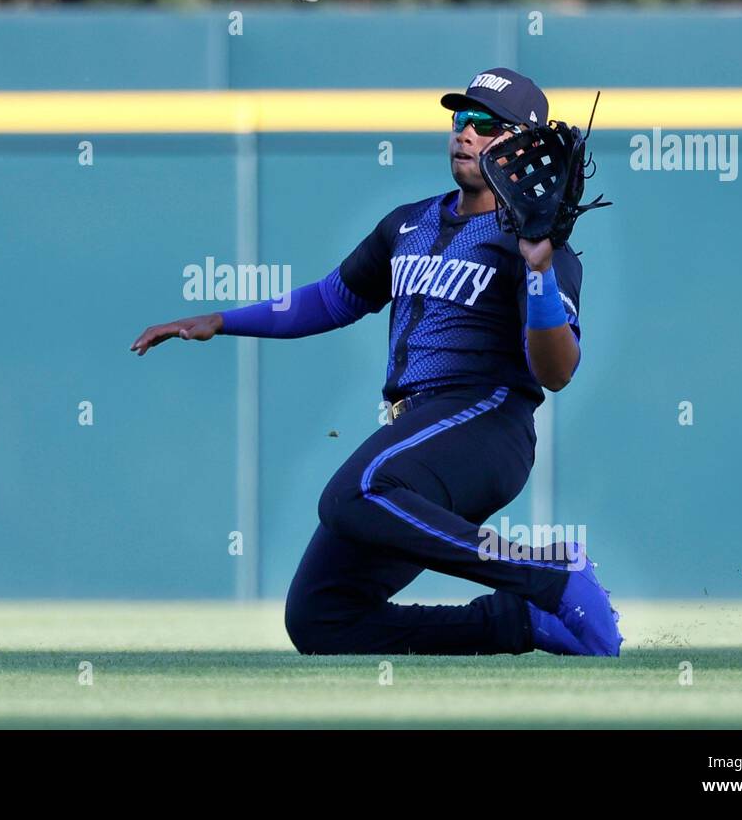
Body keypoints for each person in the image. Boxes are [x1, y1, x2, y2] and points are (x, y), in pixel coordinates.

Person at [130, 67, 621, 657]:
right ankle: (520, 622)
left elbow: (556, 371)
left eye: (485, 124)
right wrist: (224, 319)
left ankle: (551, 577)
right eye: (460, 119)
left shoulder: (540, 245)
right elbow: (332, 298)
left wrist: (538, 269)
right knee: (320, 619)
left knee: (353, 493)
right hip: (415, 432)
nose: (465, 133)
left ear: (524, 146)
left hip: (486, 424)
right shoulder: (408, 223)